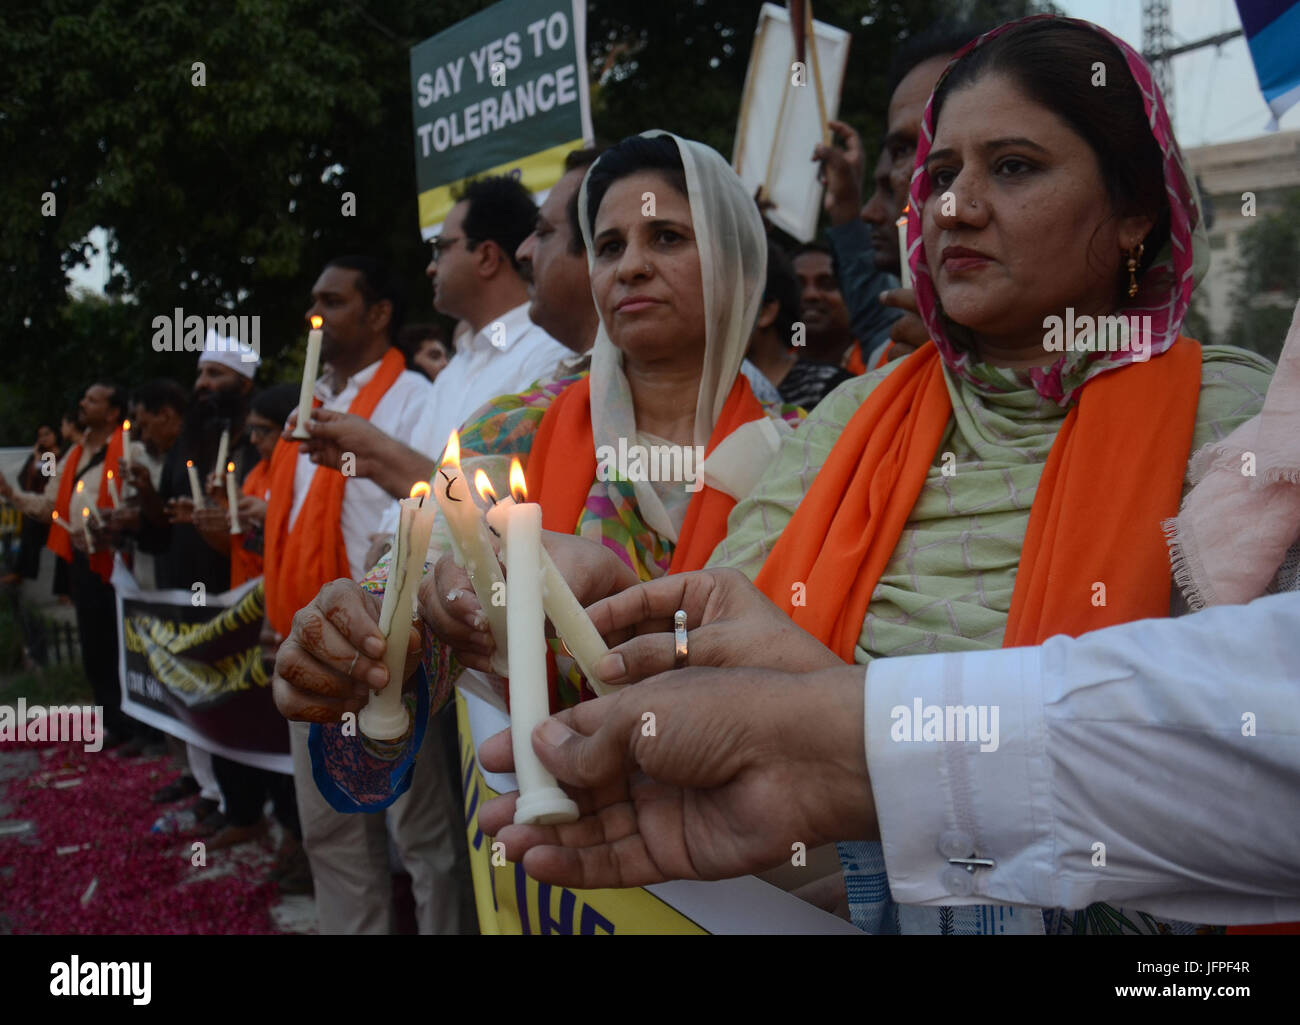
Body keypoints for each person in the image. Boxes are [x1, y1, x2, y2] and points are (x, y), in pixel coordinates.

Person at [271, 132, 806, 931]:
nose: (628, 265)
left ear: (736, 257)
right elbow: (426, 567)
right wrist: (364, 646)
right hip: (549, 880)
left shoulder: (816, 451)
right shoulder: (514, 429)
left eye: (667, 237)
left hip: (760, 880)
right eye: (609, 243)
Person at [472, 583, 1300, 927]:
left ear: (1135, 220)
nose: (958, 207)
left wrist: (836, 740)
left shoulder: (1233, 436)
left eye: (1009, 193)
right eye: (930, 197)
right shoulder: (845, 424)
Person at [263, 254, 463, 935]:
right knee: (332, 831)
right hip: (315, 639)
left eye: (333, 300)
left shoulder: (414, 396)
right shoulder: (310, 400)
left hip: (390, 643)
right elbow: (288, 524)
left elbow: (427, 503)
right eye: (314, 299)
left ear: (379, 313)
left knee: (421, 830)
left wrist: (372, 453)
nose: (315, 313)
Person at [816, 24, 989, 369]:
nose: (919, 168)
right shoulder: (898, 346)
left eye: (1015, 166)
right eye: (901, 149)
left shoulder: (1114, 369)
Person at [420, 175, 570, 455]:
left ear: (487, 257)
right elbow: (414, 489)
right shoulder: (452, 372)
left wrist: (378, 450)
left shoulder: (553, 351)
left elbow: (499, 488)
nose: (431, 268)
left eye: (440, 249)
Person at [0, 422, 63, 586]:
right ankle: (19, 572)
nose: (43, 439)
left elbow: (45, 476)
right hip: (36, 505)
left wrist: (37, 458)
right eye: (41, 435)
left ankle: (21, 574)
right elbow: (25, 479)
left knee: (33, 524)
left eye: (47, 434)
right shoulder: (40, 456)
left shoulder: (57, 456)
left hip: (54, 507)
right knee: (29, 523)